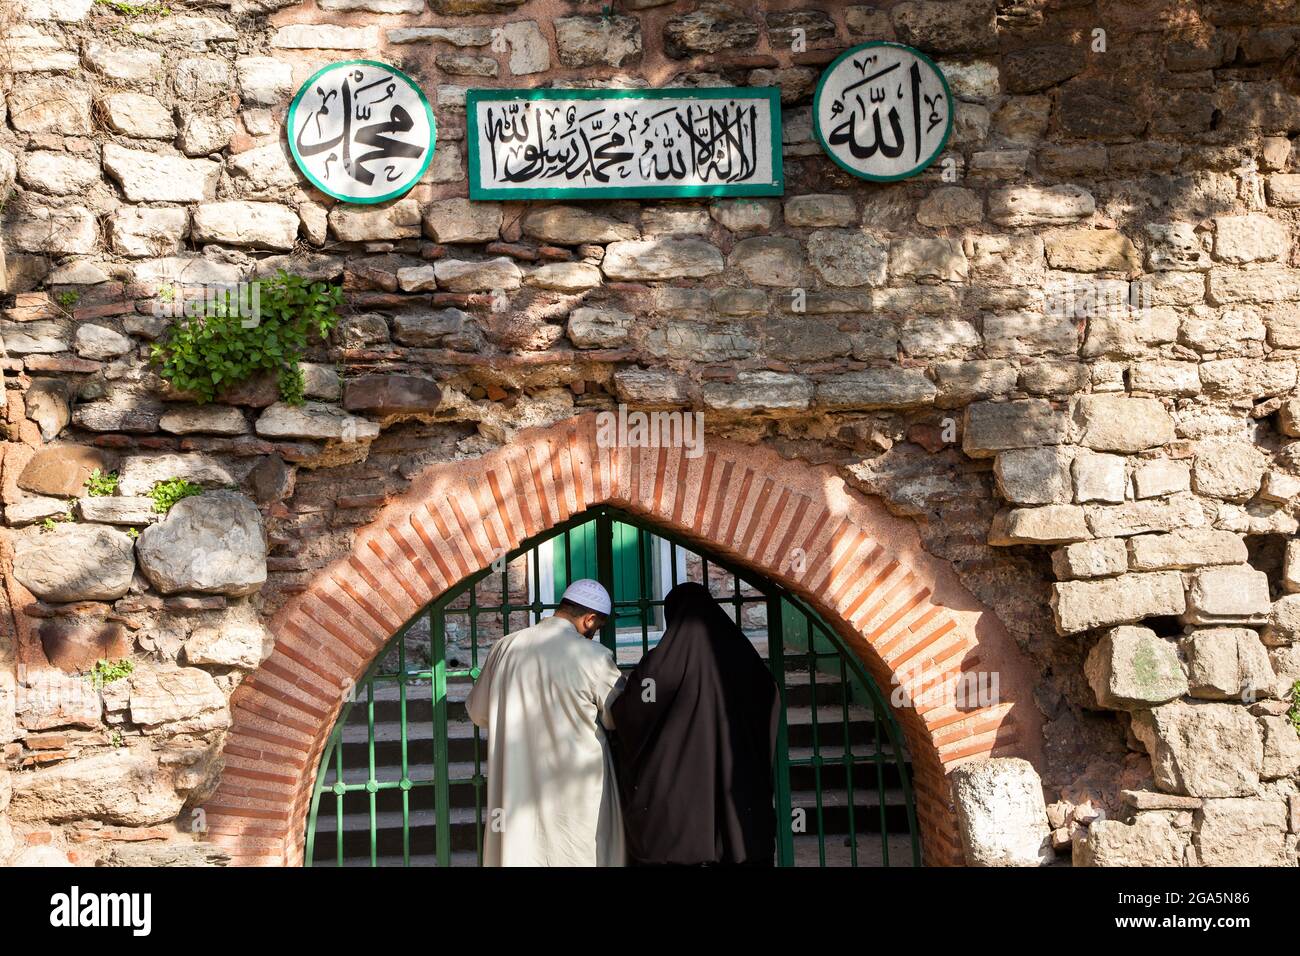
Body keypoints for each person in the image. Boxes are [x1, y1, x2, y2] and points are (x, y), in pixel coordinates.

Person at [611, 581, 781, 866]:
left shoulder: (662, 665)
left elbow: (631, 713)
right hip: (741, 800)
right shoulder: (746, 660)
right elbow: (768, 701)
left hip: (675, 816)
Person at [465, 578, 626, 867]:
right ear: (589, 620)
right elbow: (619, 717)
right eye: (597, 628)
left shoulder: (505, 647)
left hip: (517, 787)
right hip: (577, 793)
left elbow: (479, 713)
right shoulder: (595, 657)